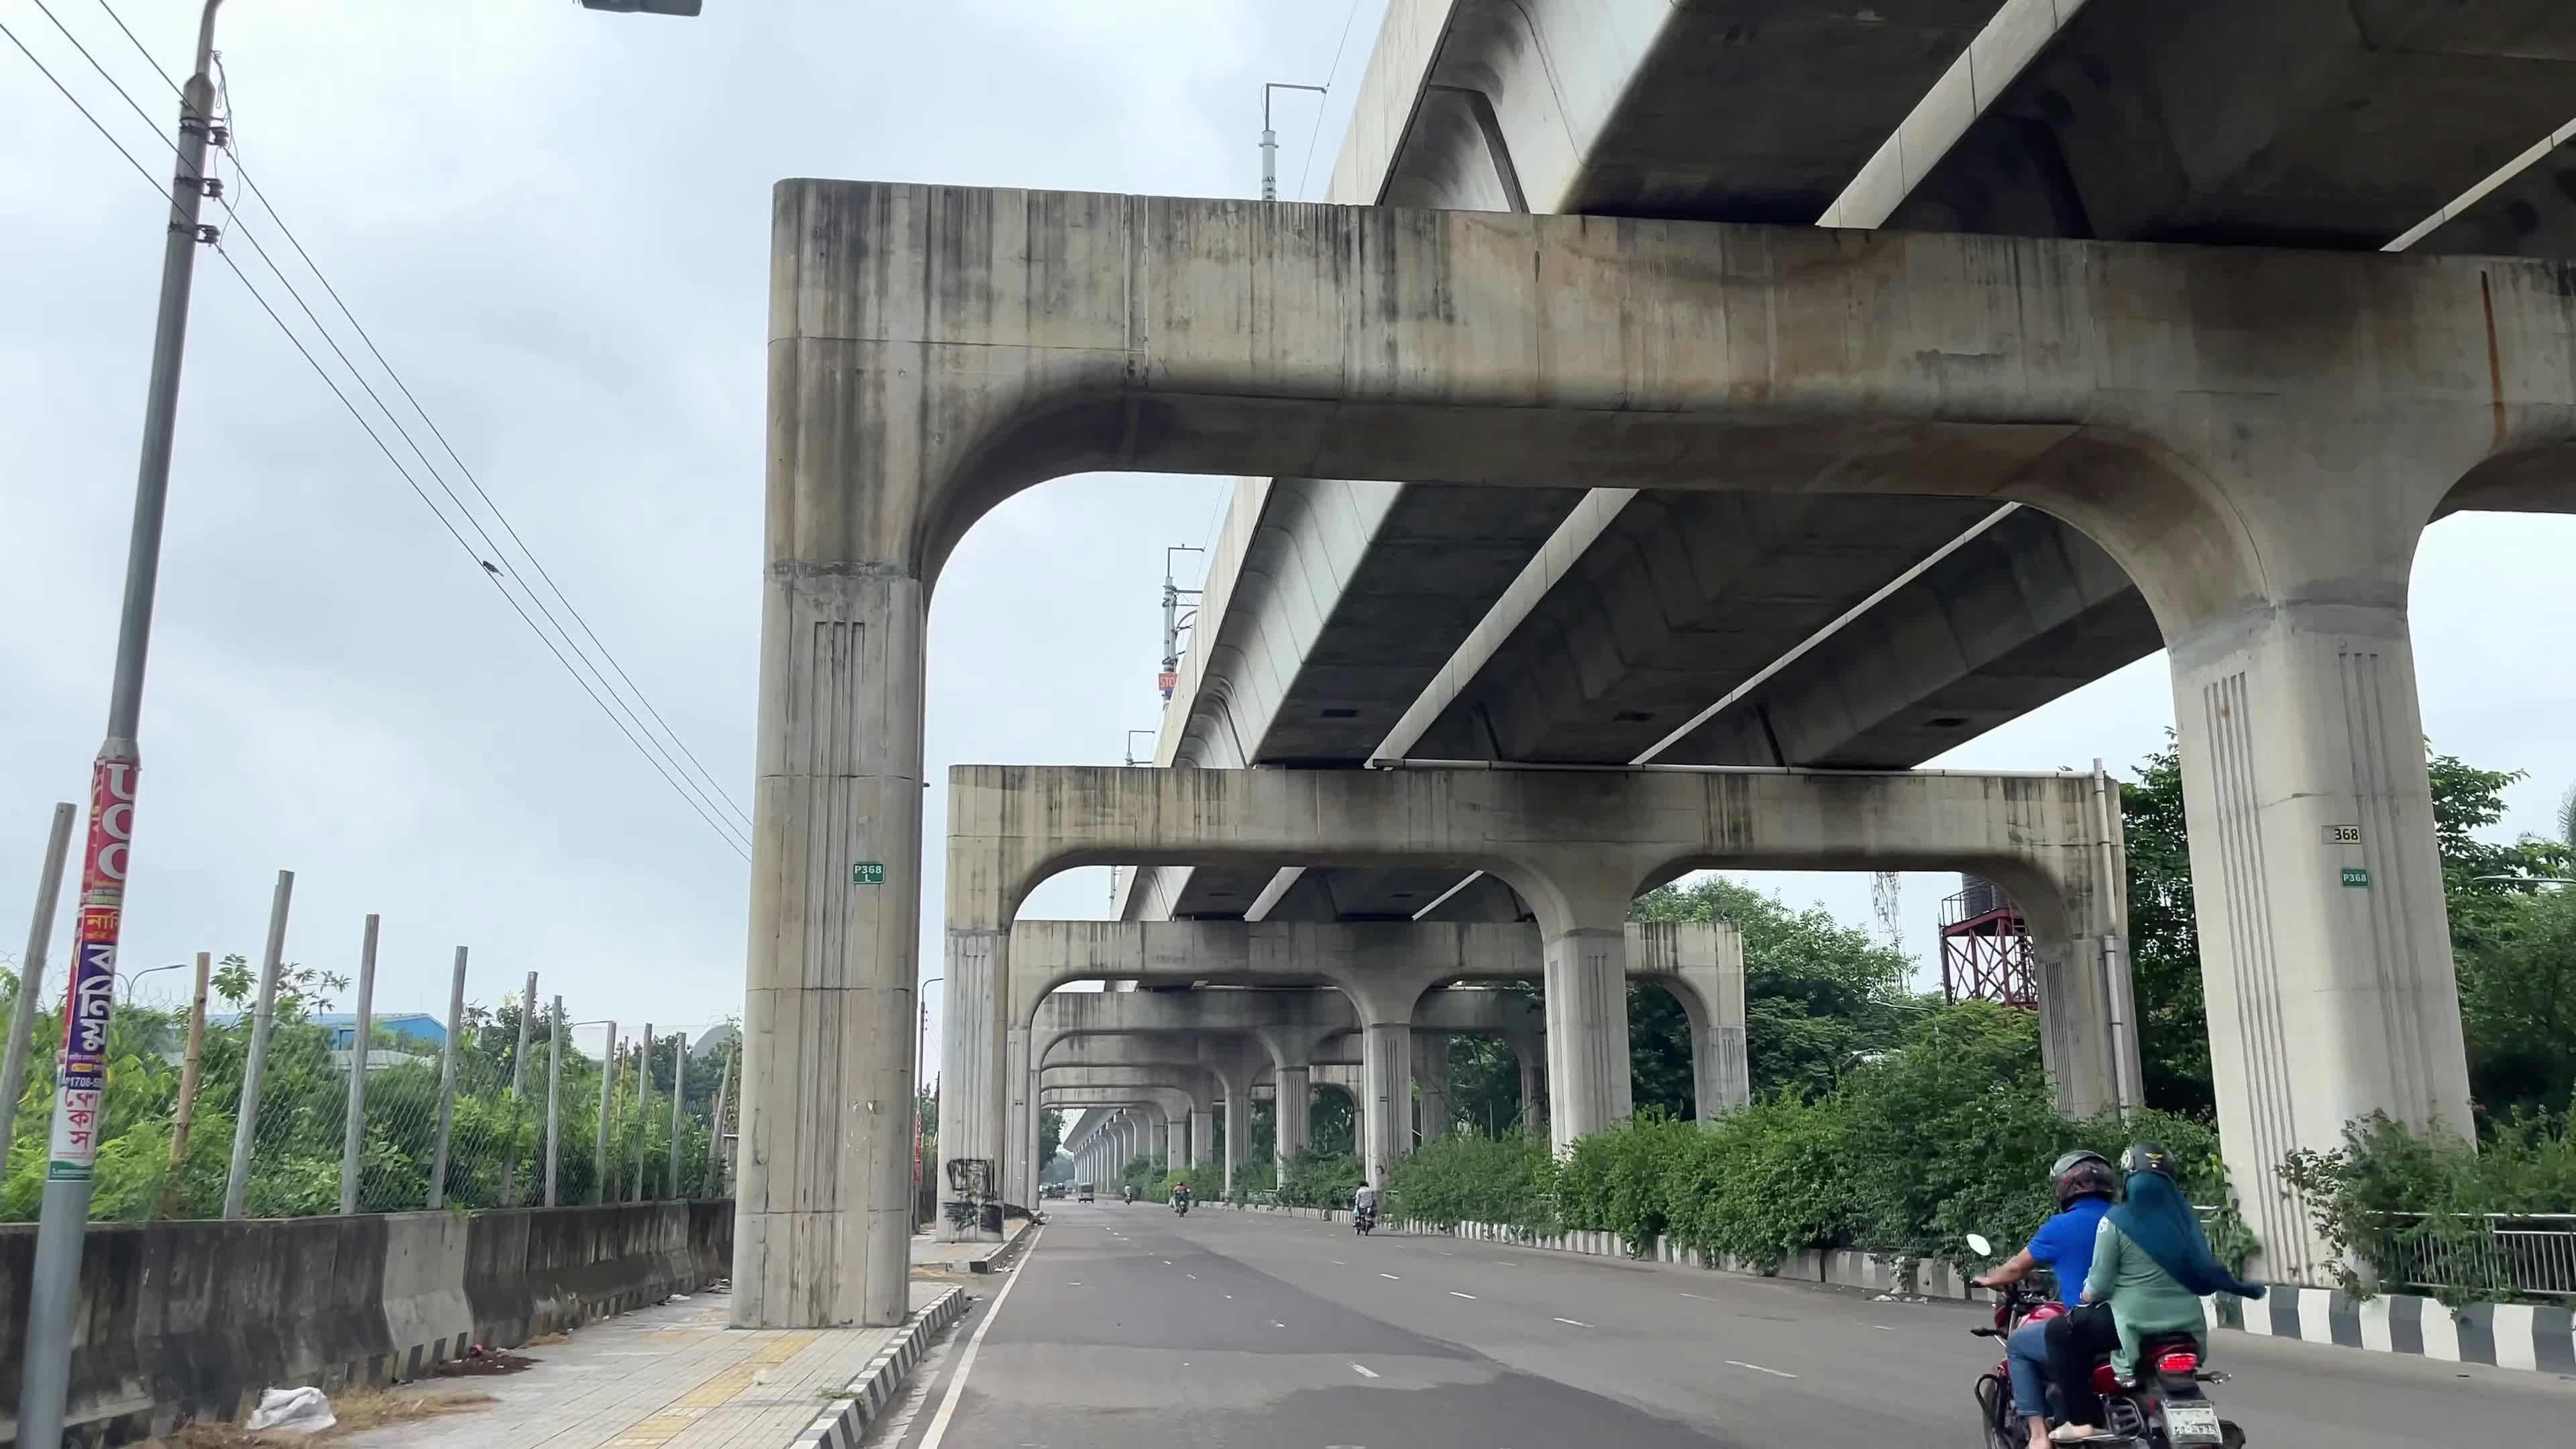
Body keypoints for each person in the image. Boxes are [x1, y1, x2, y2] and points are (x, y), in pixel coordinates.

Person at [2044, 1142, 2265, 1444]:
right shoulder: (2186, 1222)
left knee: (2059, 1332)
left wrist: (2086, 1296)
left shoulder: (2116, 1221)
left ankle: (2081, 1421)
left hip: (2133, 1323)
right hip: (2185, 1324)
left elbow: (2101, 1285)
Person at [1973, 1150, 2120, 1449]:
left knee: (2019, 1344)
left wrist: (1990, 1279)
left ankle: (2039, 1437)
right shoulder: (2127, 1219)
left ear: (2064, 1186)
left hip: (2093, 1324)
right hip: (2139, 1321)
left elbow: (2016, 1267)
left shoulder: (2059, 1227)